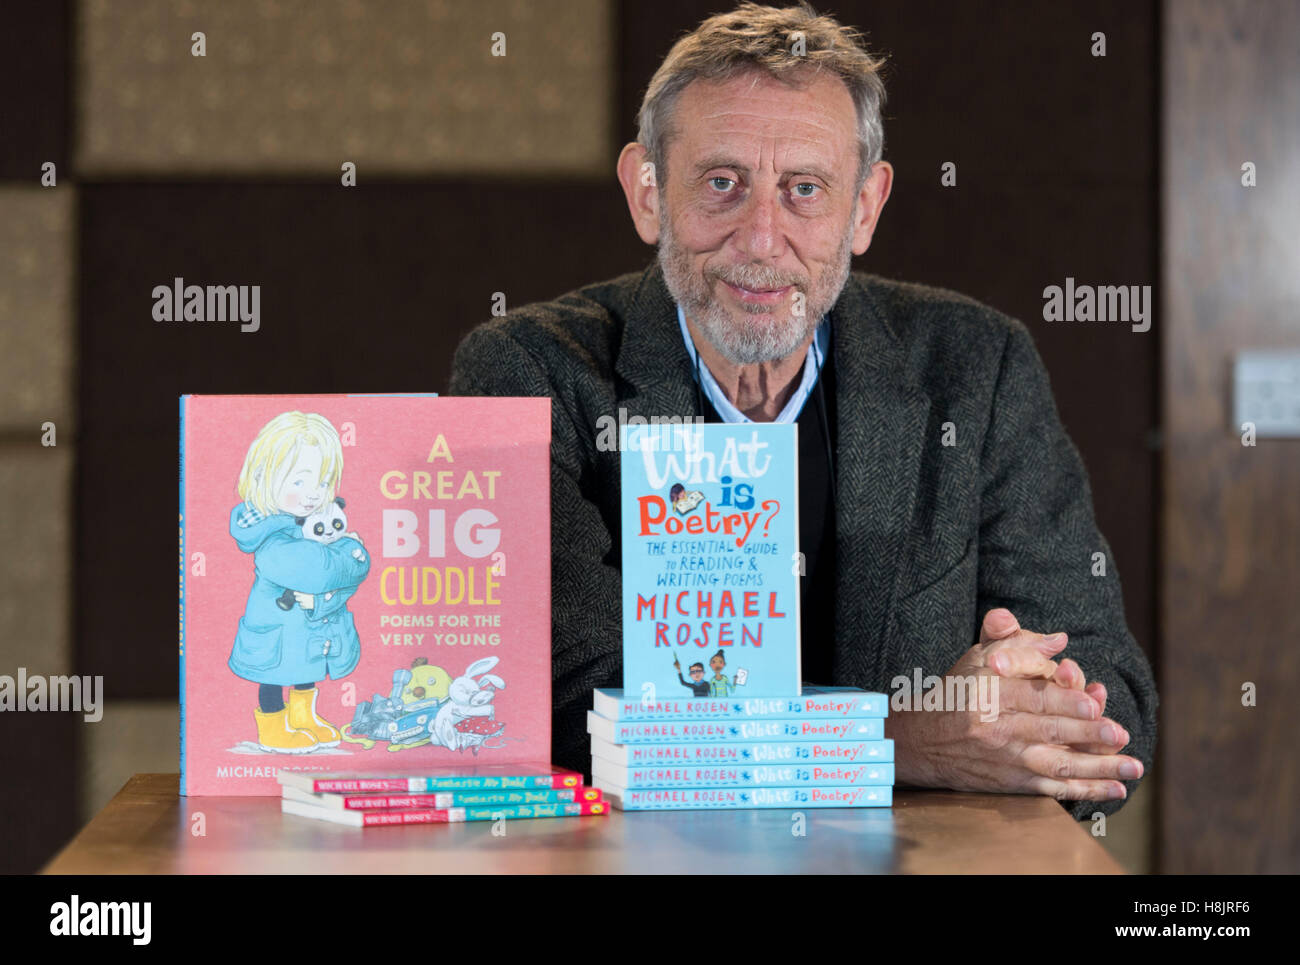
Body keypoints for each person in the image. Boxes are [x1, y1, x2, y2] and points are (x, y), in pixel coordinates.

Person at [449, 1, 1156, 818]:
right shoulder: (530, 373)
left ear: (863, 208)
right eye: (723, 184)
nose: (760, 237)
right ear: (647, 192)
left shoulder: (978, 368)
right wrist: (902, 738)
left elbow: (1116, 701)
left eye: (804, 190)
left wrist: (1041, 702)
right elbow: (559, 708)